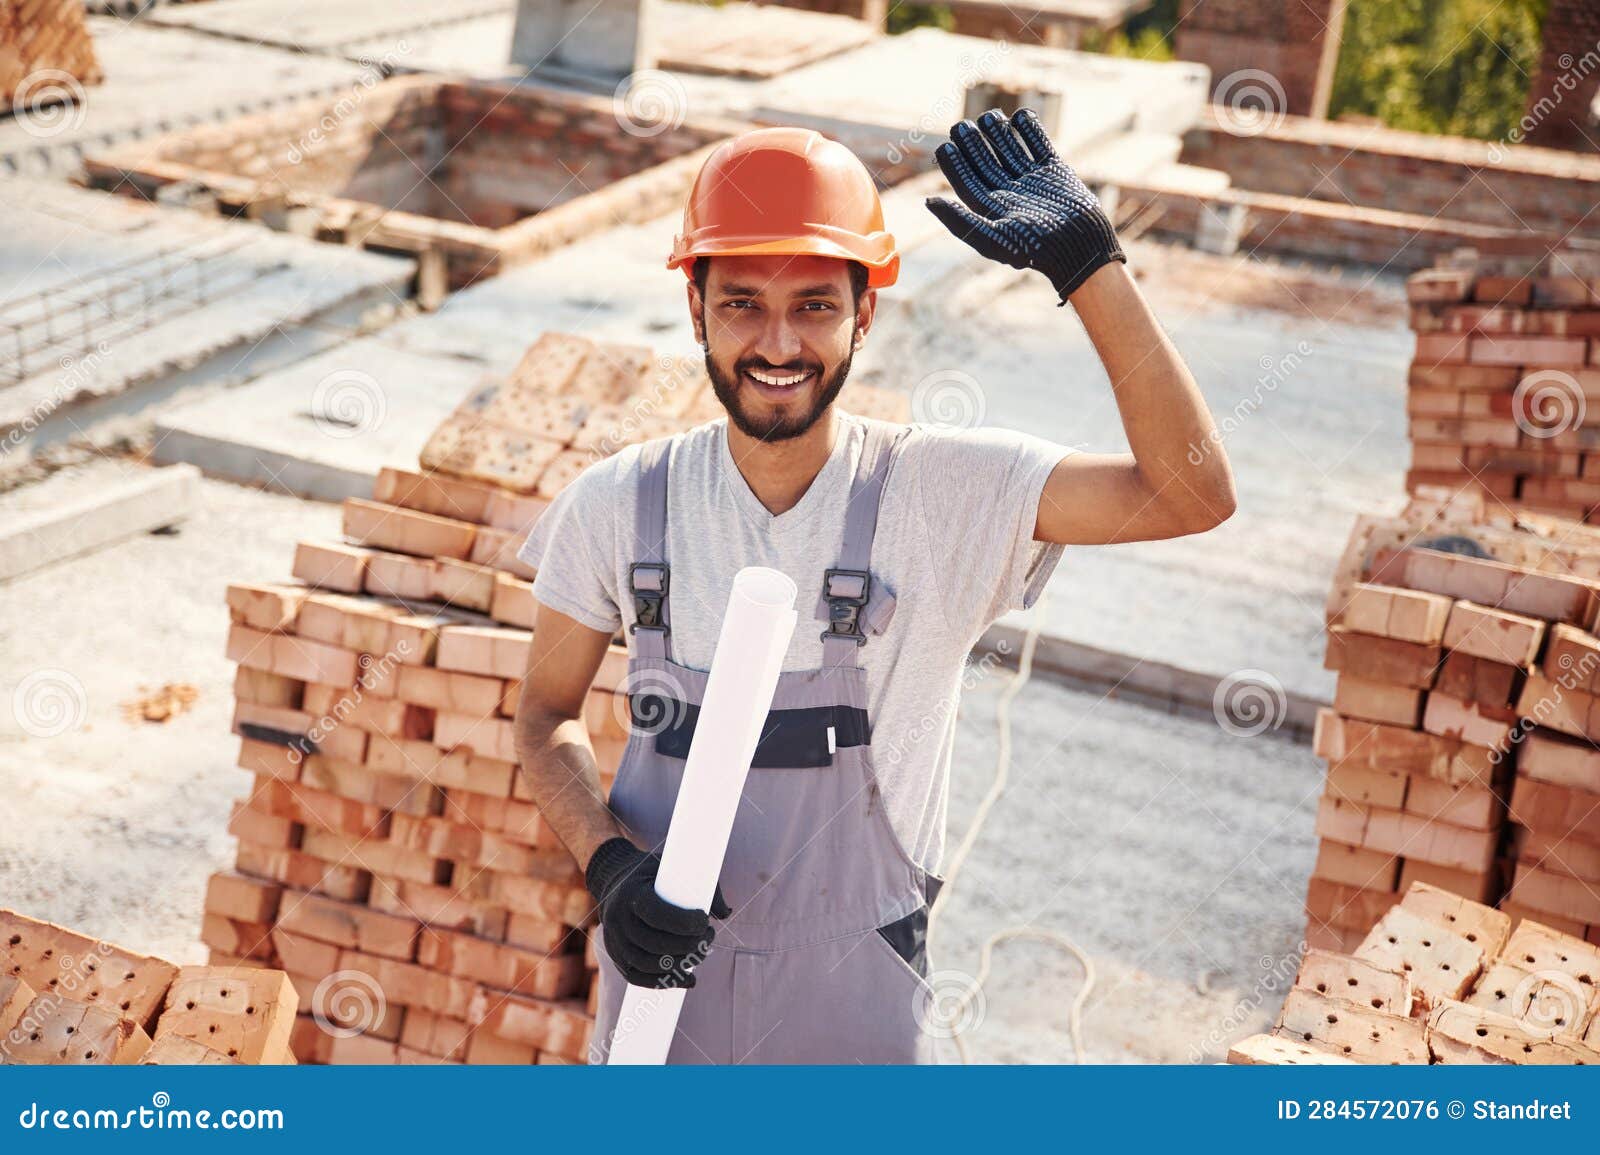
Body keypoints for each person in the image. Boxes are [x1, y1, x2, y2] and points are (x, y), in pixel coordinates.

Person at [513, 109, 1236, 1064]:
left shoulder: (940, 497)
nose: (779, 345)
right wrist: (610, 870)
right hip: (659, 1017)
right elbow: (544, 712)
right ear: (695, 309)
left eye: (814, 303)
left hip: (853, 1025)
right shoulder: (622, 504)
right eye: (741, 304)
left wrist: (1091, 271)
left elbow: (1191, 493)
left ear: (866, 311)